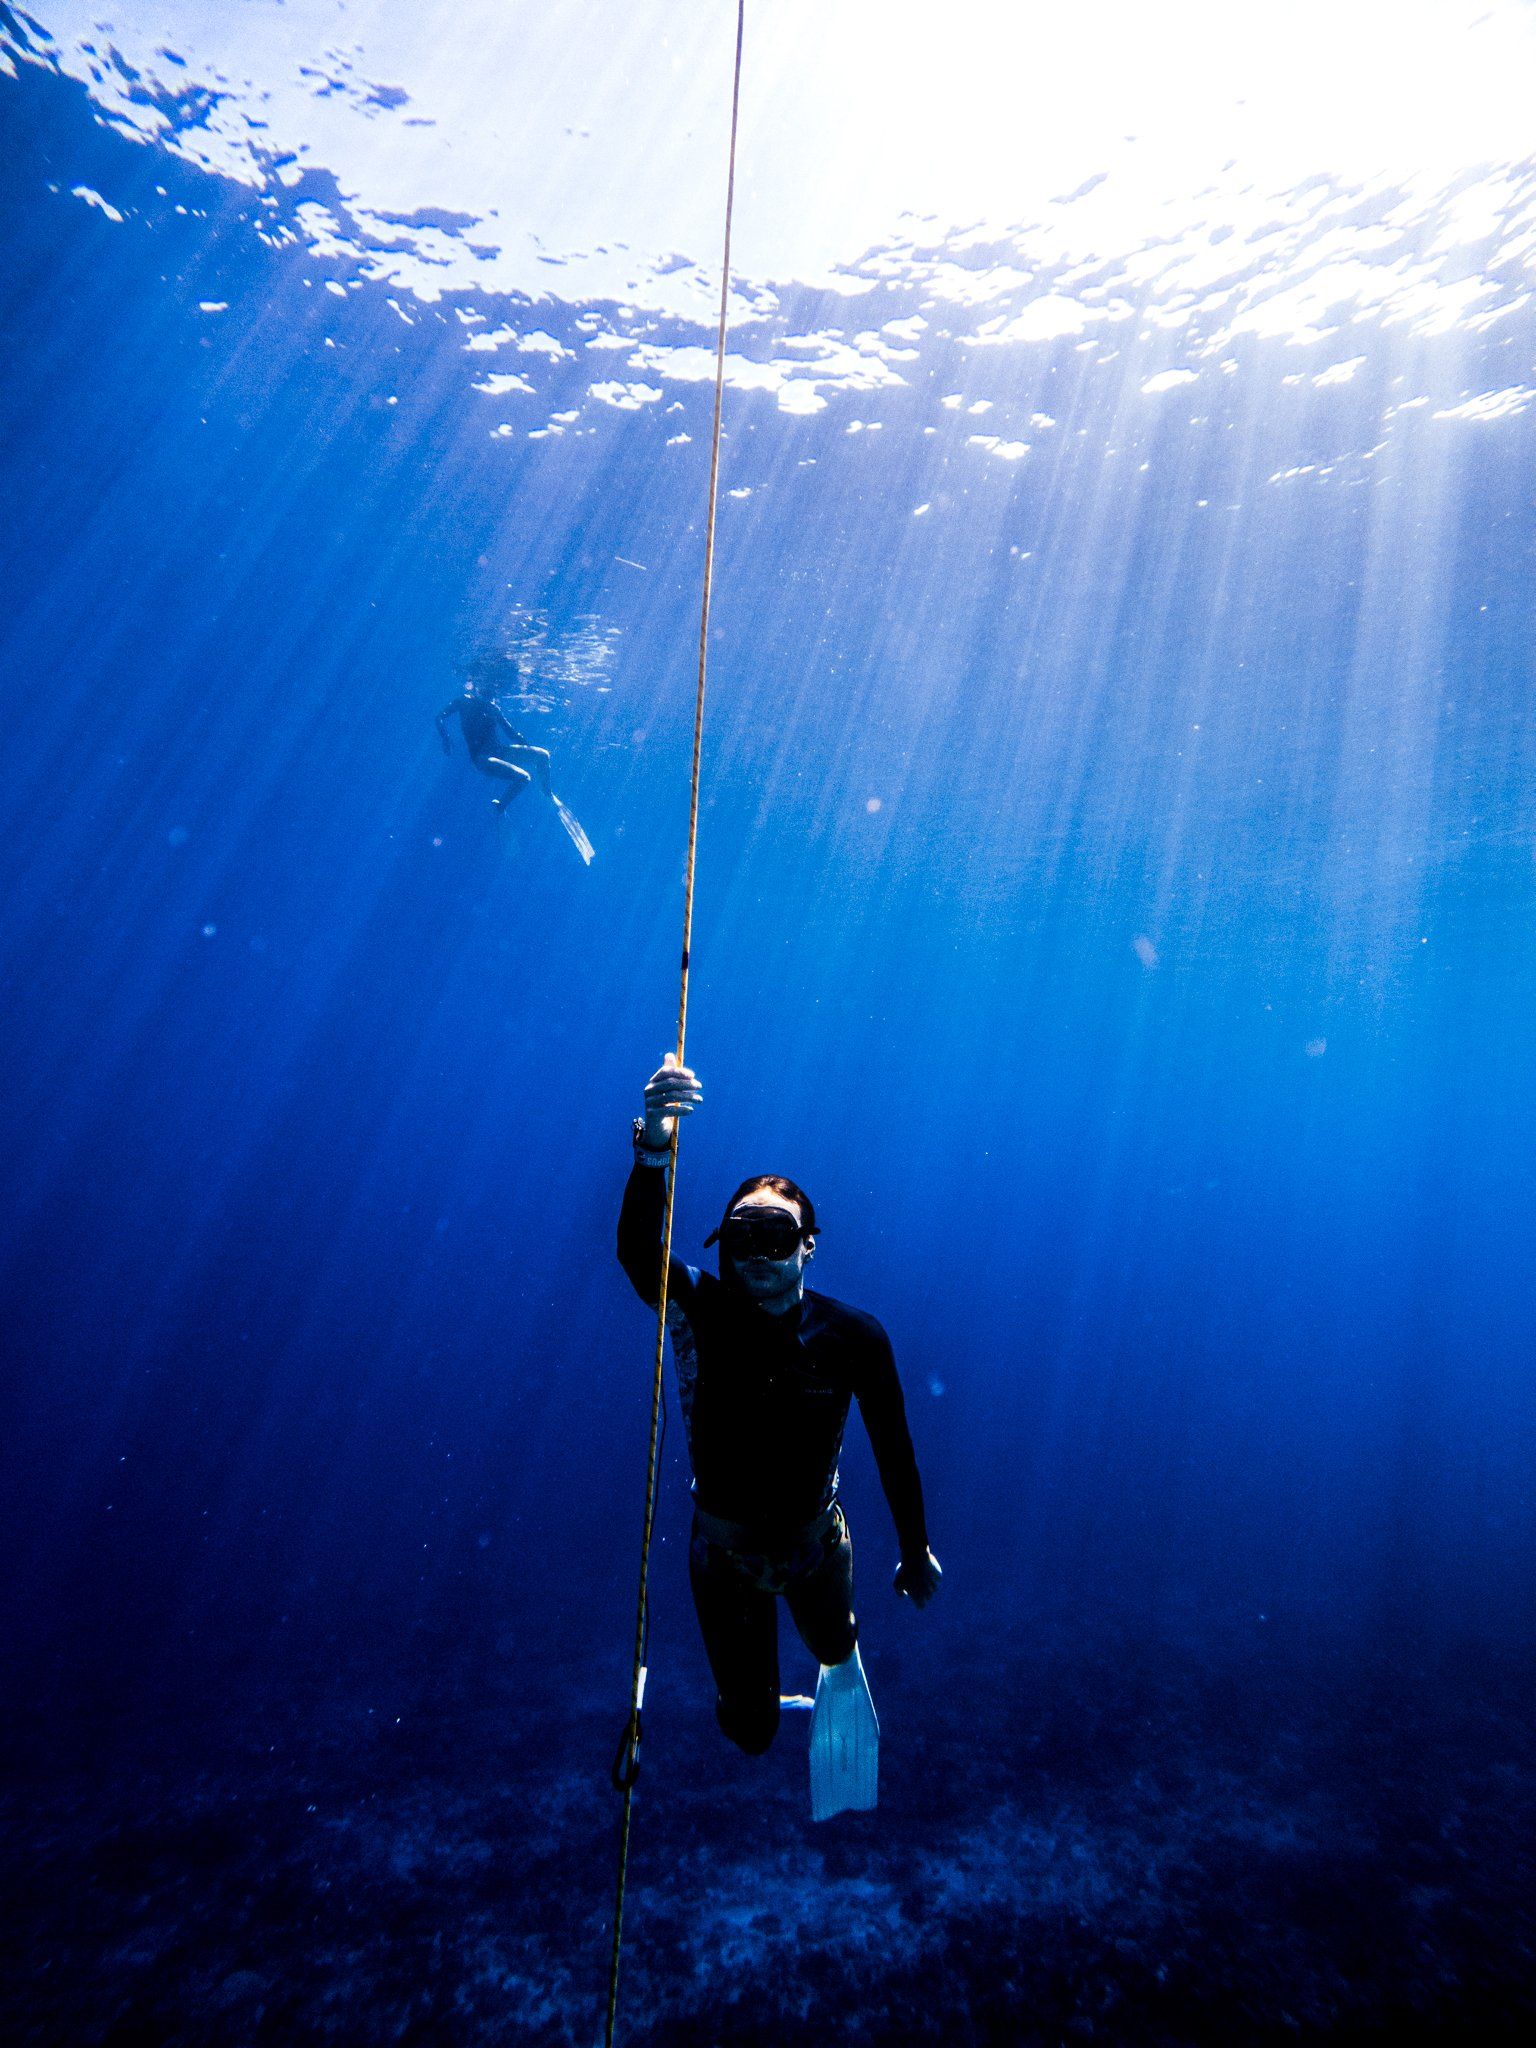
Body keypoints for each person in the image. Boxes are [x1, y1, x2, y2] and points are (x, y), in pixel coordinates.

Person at [617, 1055, 941, 1818]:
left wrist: (914, 1546)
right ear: (720, 1246)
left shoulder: (854, 1336)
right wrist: (654, 1144)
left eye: (775, 1234)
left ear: (809, 1246)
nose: (757, 1256)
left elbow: (895, 1446)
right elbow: (639, 1254)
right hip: (722, 1556)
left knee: (834, 1647)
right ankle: (768, 1701)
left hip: (815, 1542)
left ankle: (837, 1655)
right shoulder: (701, 1308)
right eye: (740, 1236)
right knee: (751, 1732)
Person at [436, 673, 594, 862]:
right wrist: (445, 738)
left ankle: (548, 794)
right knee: (523, 778)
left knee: (542, 755)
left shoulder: (492, 707)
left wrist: (524, 745)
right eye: (489, 690)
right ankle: (500, 806)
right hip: (482, 758)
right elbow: (439, 717)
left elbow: (511, 732)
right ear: (477, 686)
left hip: (499, 751)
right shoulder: (463, 702)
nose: (491, 694)